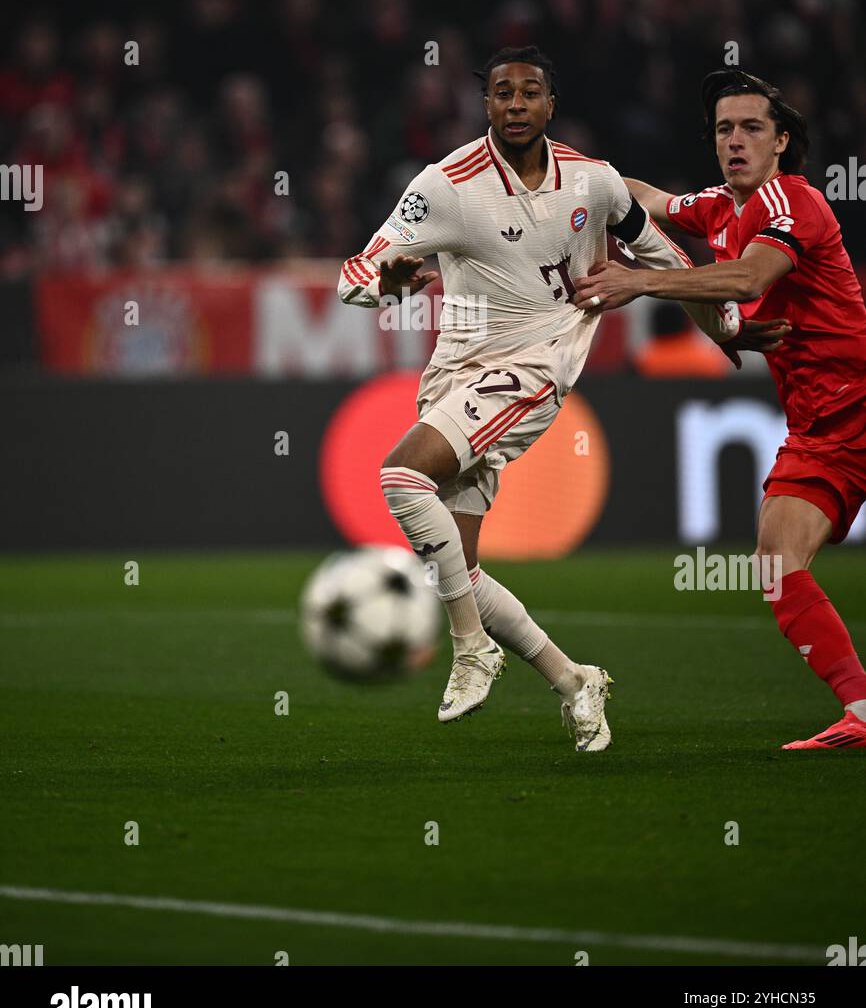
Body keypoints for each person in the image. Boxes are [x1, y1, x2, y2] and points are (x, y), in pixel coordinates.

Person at [337, 47, 752, 751]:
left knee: (401, 476)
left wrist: (726, 325)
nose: (517, 104)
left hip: (536, 369)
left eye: (531, 92)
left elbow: (661, 258)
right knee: (459, 570)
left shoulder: (595, 183)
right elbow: (355, 271)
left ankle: (470, 650)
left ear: (550, 105)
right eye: (503, 93)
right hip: (457, 369)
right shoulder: (446, 186)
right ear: (487, 105)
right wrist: (390, 283)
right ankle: (574, 680)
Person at [573, 69, 866, 750]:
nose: (735, 141)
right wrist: (567, 171)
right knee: (775, 560)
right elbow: (648, 200)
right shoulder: (719, 207)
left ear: (781, 140)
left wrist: (639, 280)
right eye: (723, 130)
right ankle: (860, 711)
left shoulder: (796, 202)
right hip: (822, 428)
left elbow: (749, 277)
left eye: (751, 128)